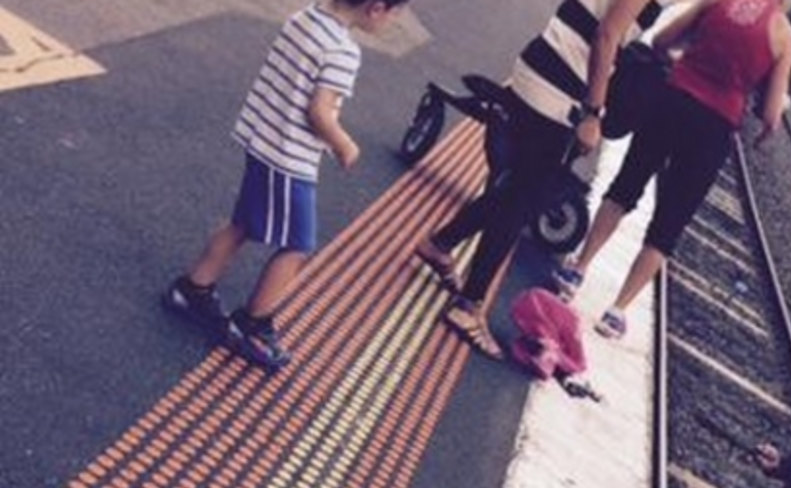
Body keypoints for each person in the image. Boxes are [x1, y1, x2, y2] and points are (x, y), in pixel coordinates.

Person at [413, 0, 667, 360]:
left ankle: (440, 244)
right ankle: (468, 306)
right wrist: (593, 114)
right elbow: (607, 34)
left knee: (519, 188)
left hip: (546, 69)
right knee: (522, 200)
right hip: (558, 87)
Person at [164, 0, 410, 370]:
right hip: (287, 158)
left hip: (262, 137)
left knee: (243, 223)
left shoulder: (305, 15)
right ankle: (252, 326)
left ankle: (192, 290)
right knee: (298, 246)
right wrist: (344, 144)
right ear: (376, 8)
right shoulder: (343, 51)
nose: (395, 21)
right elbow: (319, 112)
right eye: (396, 13)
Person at [554, 0, 791, 339]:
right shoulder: (784, 35)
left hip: (672, 101)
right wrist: (763, 123)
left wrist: (687, 60)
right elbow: (771, 113)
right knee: (669, 223)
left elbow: (662, 41)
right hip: (714, 129)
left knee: (625, 188)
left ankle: (578, 269)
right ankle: (616, 311)